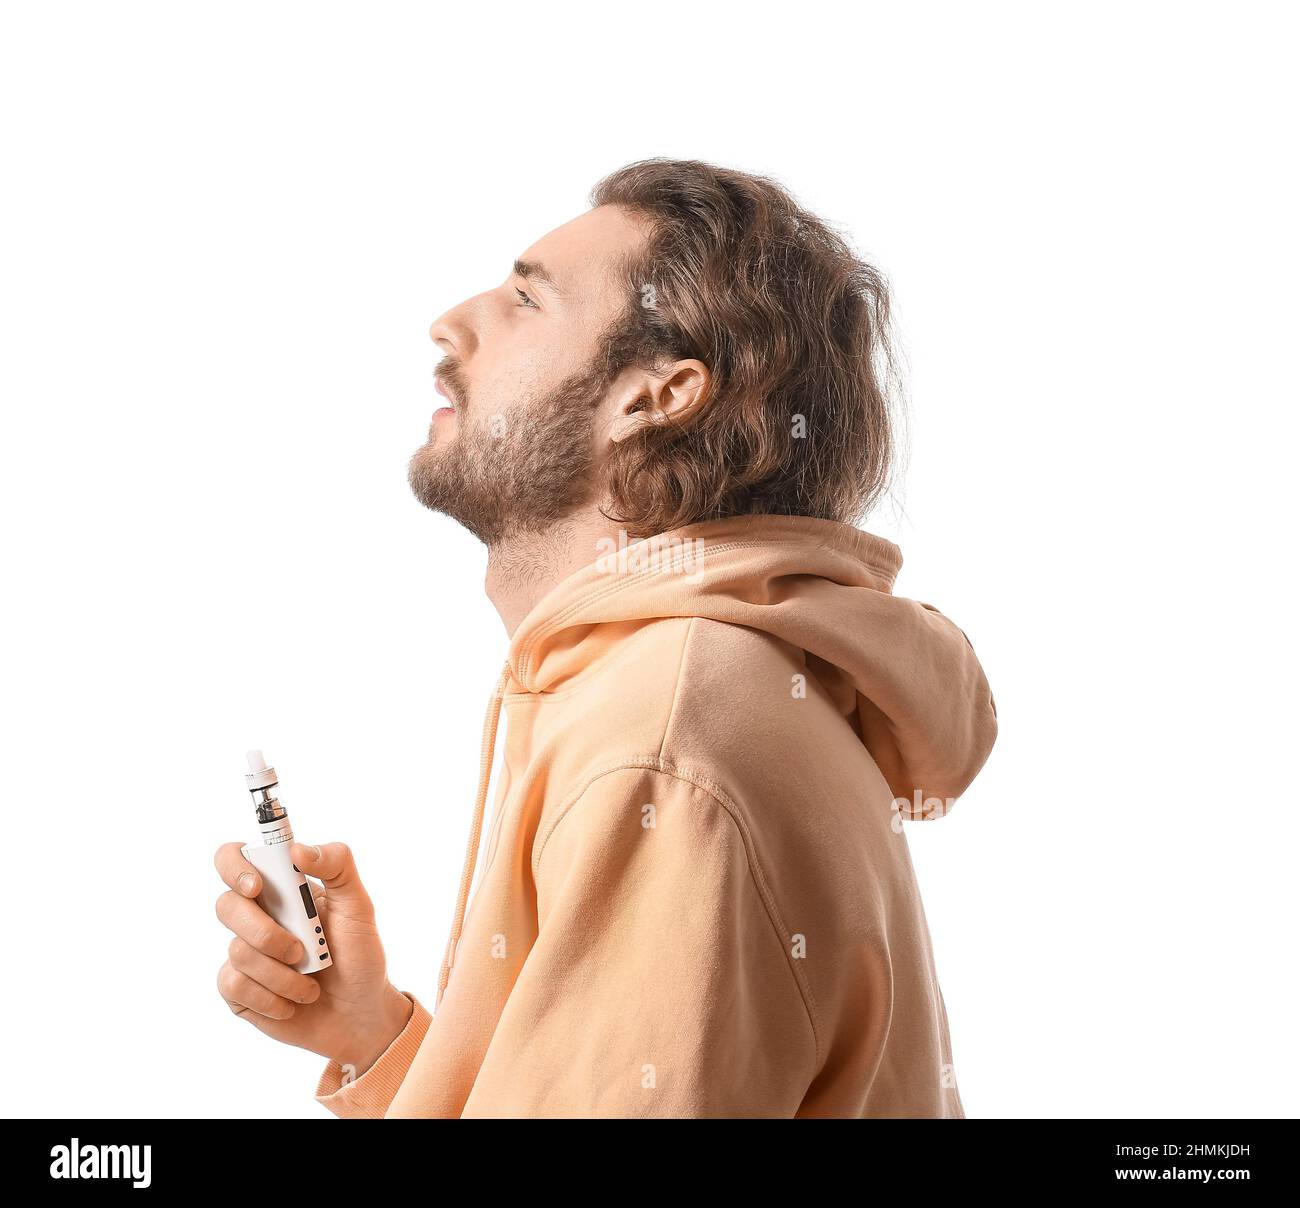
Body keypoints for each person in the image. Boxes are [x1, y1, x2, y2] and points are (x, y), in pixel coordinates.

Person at [213, 158, 998, 1118]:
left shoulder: (663, 735)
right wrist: (377, 1039)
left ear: (654, 397)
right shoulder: (695, 685)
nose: (452, 323)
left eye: (525, 299)